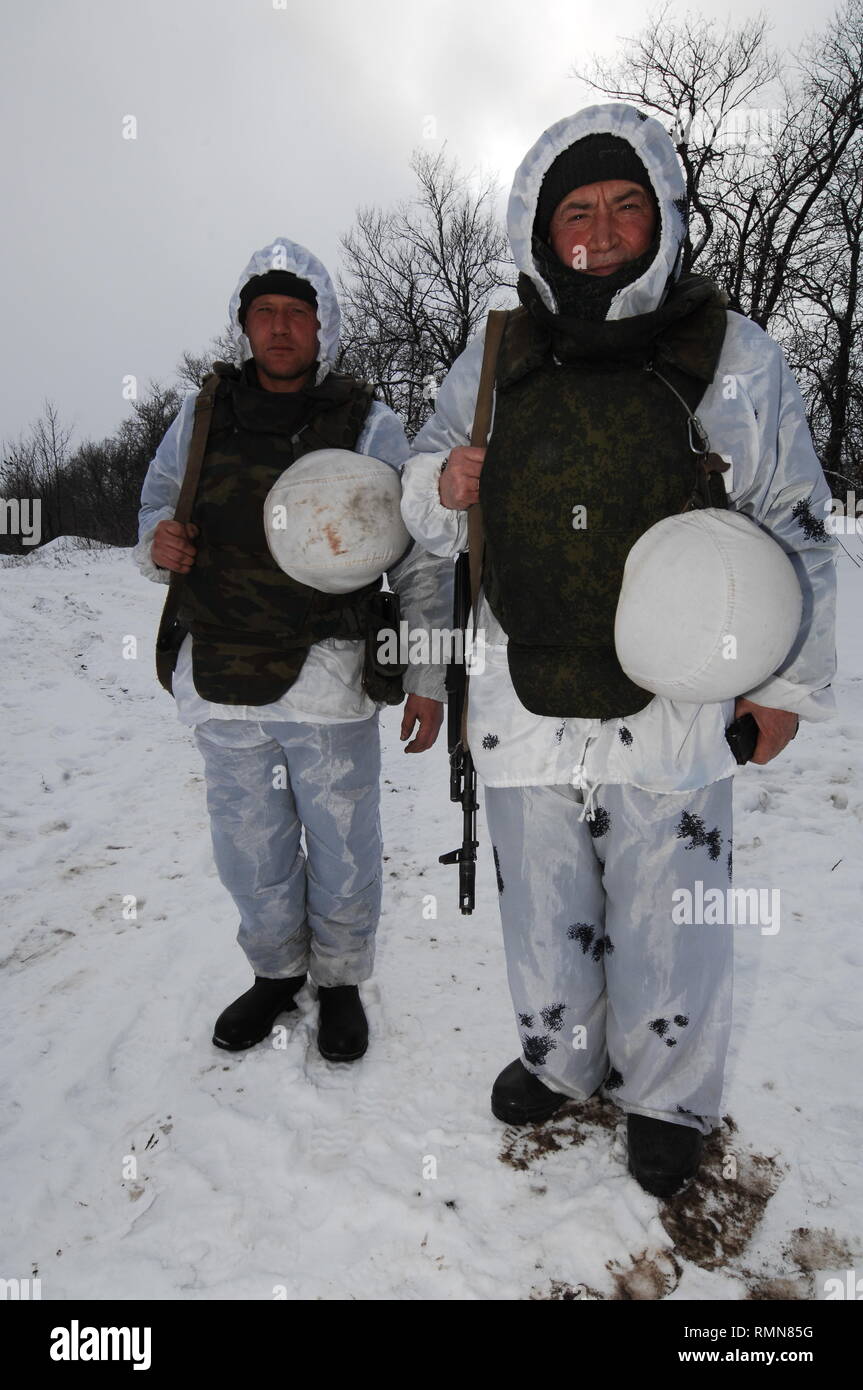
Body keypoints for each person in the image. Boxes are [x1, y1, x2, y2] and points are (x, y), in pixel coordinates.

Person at [400, 105, 838, 1196]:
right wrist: (438, 485)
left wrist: (783, 685)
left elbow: (793, 519)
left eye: (623, 207)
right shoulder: (495, 351)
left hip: (677, 699)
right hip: (523, 683)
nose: (597, 230)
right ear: (541, 234)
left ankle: (665, 1097)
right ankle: (559, 1060)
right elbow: (421, 495)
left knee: (668, 907)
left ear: (661, 220)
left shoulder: (729, 353)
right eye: (575, 213)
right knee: (541, 901)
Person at [134, 237, 449, 1063]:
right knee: (248, 842)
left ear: (322, 325)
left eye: (296, 313)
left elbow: (419, 551)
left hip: (329, 671)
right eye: (265, 313)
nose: (279, 328)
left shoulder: (368, 423)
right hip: (222, 668)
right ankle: (275, 974)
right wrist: (154, 542)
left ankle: (340, 980)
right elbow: (159, 504)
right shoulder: (200, 416)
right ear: (244, 324)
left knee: (343, 835)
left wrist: (425, 673)